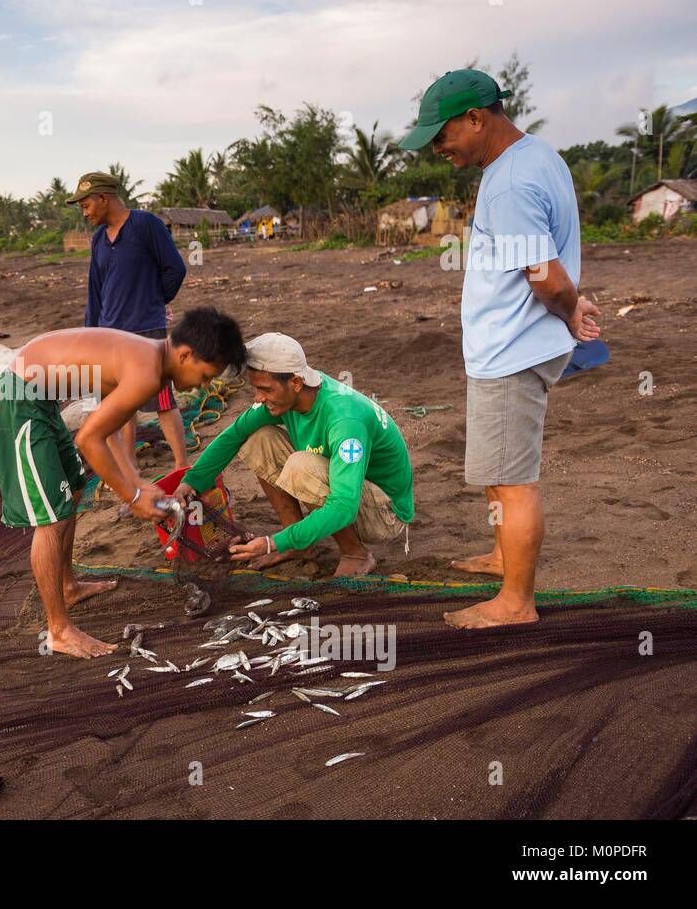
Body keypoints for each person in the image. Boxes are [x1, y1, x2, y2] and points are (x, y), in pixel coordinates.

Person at [399, 68, 601, 628]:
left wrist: (569, 307)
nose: (439, 149)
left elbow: (549, 279)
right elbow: (551, 271)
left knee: (513, 481)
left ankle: (516, 602)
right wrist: (573, 307)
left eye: (443, 136)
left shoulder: (510, 183)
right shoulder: (536, 156)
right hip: (505, 347)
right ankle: (502, 556)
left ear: (475, 118)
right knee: (498, 469)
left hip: (513, 350)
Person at [0, 307, 246, 659]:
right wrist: (133, 494)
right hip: (18, 403)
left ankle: (68, 585)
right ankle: (58, 630)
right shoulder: (146, 371)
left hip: (41, 401)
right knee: (52, 516)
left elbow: (107, 430)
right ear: (185, 355)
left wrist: (135, 480)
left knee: (74, 490)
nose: (202, 386)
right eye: (204, 376)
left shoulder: (149, 359)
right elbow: (89, 439)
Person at [174, 333, 414, 577]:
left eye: (265, 389)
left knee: (301, 466)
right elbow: (234, 435)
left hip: (385, 512)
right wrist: (192, 481)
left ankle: (356, 554)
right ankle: (301, 545)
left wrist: (272, 542)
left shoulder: (344, 419)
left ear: (297, 383)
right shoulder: (293, 395)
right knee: (258, 439)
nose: (258, 398)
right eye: (256, 388)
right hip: (352, 488)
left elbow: (344, 507)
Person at [68, 171, 190, 477]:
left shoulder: (145, 225)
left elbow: (175, 268)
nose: (85, 212)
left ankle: (181, 468)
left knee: (161, 399)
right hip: (109, 336)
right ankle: (130, 470)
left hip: (146, 331)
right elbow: (94, 292)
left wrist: (153, 301)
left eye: (86, 205)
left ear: (103, 198)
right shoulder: (98, 241)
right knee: (119, 406)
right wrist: (90, 335)